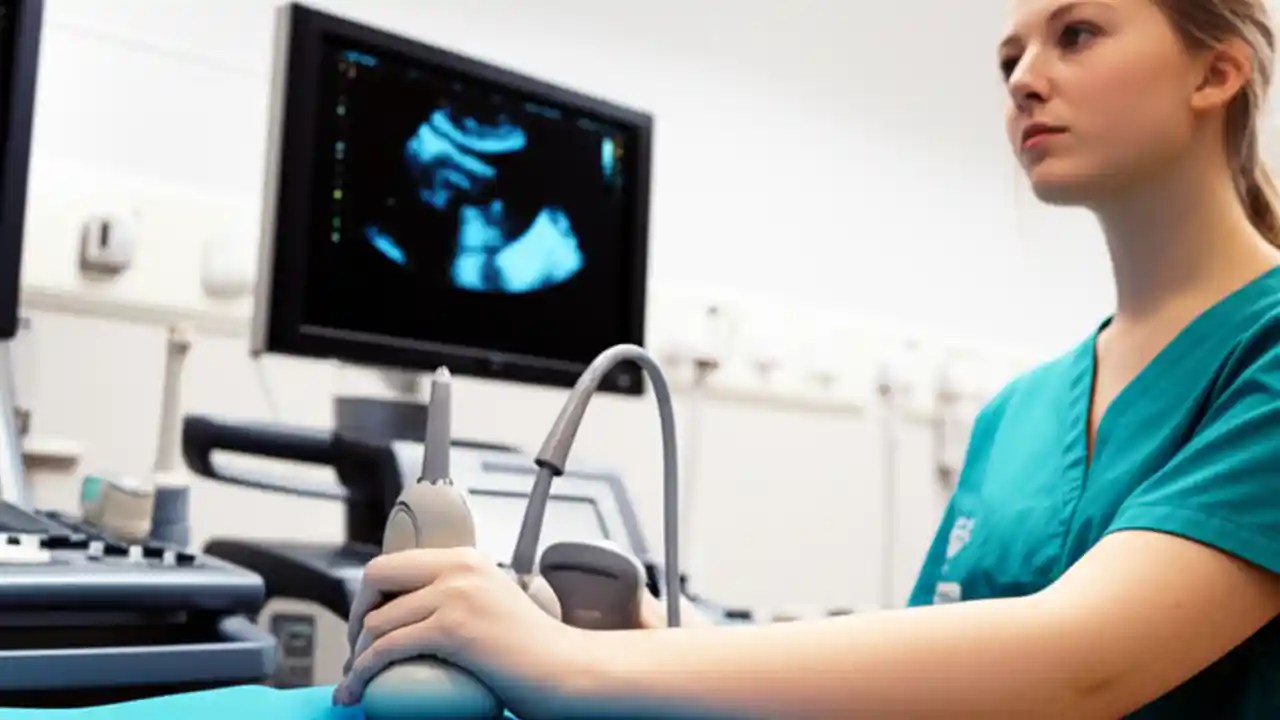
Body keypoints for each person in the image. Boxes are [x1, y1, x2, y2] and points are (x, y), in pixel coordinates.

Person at [333, 0, 1280, 716]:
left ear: (1216, 73)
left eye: (1076, 35)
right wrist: (665, 640)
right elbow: (925, 676)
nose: (1025, 79)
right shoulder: (1017, 415)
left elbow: (1087, 665)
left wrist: (566, 667)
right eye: (1008, 59)